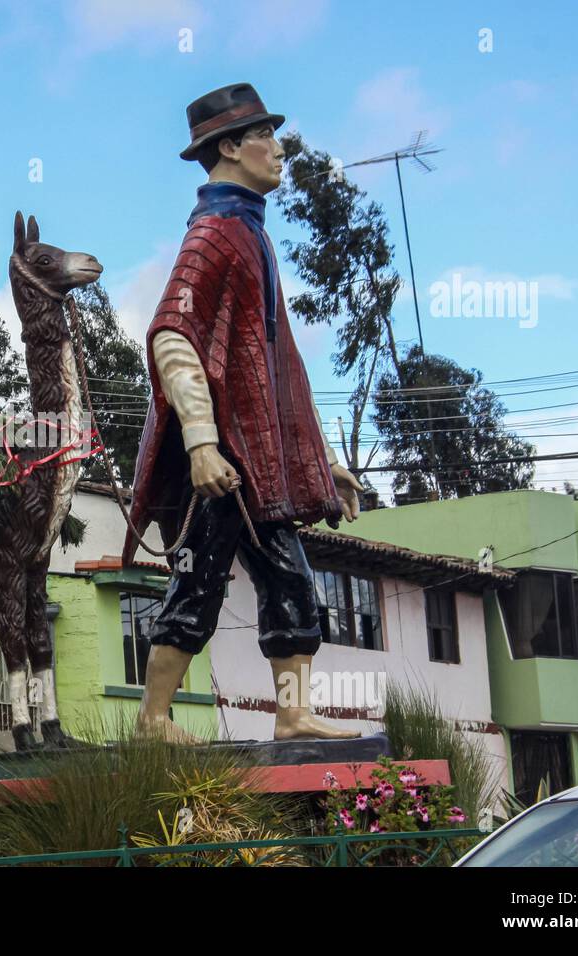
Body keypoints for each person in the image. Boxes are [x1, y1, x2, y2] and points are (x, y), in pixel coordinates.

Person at [125, 84, 368, 744]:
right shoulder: (213, 236)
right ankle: (152, 721)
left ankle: (292, 715)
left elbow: (274, 375)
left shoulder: (248, 233)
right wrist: (202, 443)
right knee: (197, 585)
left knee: (289, 582)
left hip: (256, 464)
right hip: (228, 463)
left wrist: (323, 464)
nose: (279, 147)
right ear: (230, 147)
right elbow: (172, 334)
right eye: (266, 134)